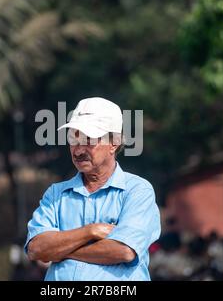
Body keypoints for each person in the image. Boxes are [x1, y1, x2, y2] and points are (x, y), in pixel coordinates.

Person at [24, 97, 161, 280]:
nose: (78, 150)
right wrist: (91, 231)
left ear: (113, 143)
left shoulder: (137, 190)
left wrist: (59, 250)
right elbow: (36, 249)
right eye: (73, 139)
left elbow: (124, 250)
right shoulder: (56, 194)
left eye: (89, 139)